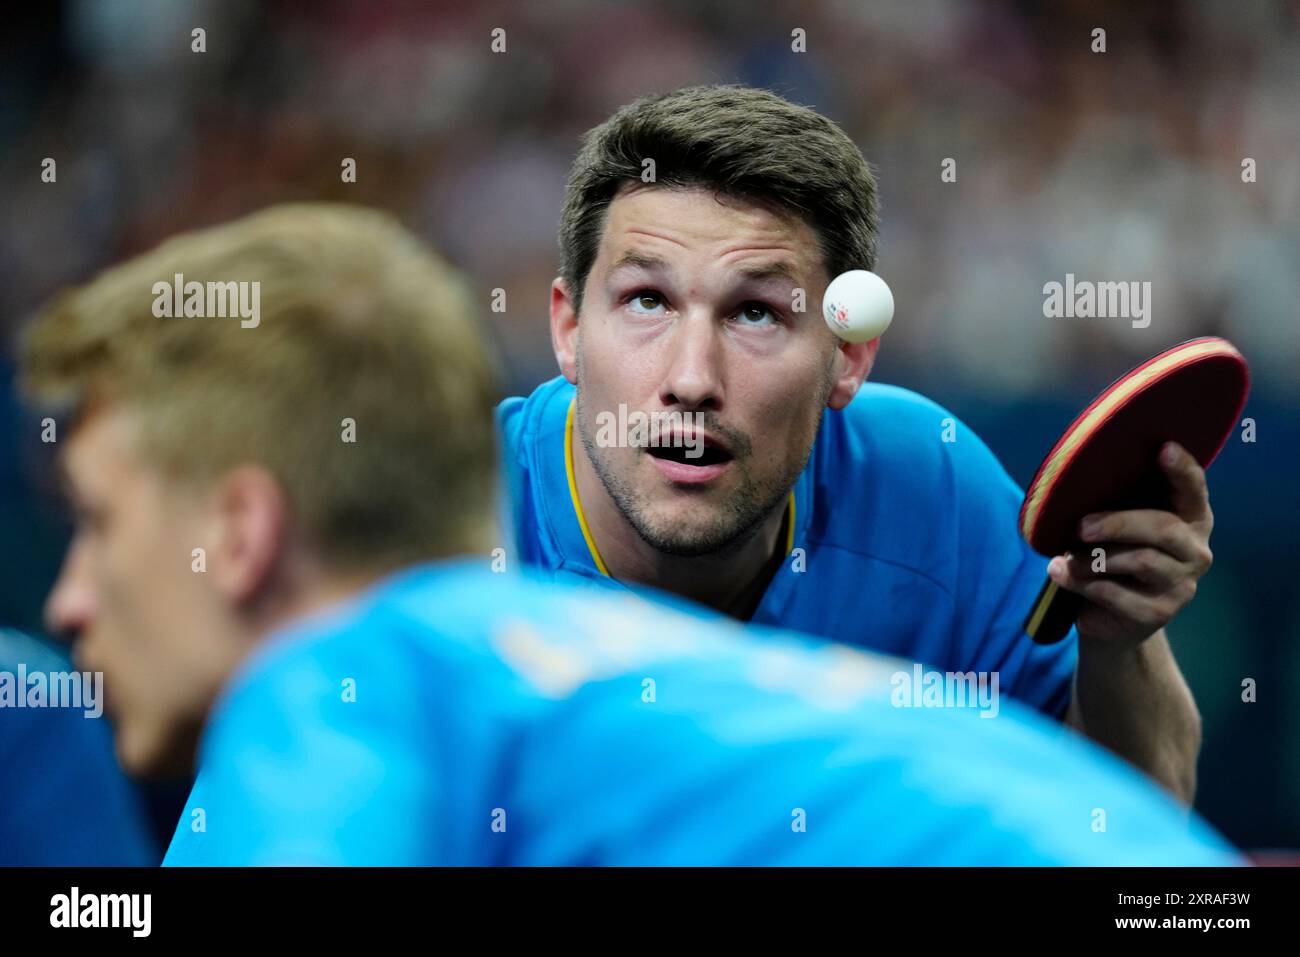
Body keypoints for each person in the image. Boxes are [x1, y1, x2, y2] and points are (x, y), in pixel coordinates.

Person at [21, 203, 1233, 865]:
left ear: (239, 531)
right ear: (564, 328)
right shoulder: (483, 662)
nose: (70, 597)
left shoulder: (351, 686)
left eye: (99, 524)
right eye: (644, 302)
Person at [497, 84, 1209, 802]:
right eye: (647, 300)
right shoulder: (450, 513)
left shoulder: (929, 486)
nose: (691, 379)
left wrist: (1121, 645)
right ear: (570, 329)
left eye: (756, 312)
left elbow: (1128, 837)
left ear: (847, 357)